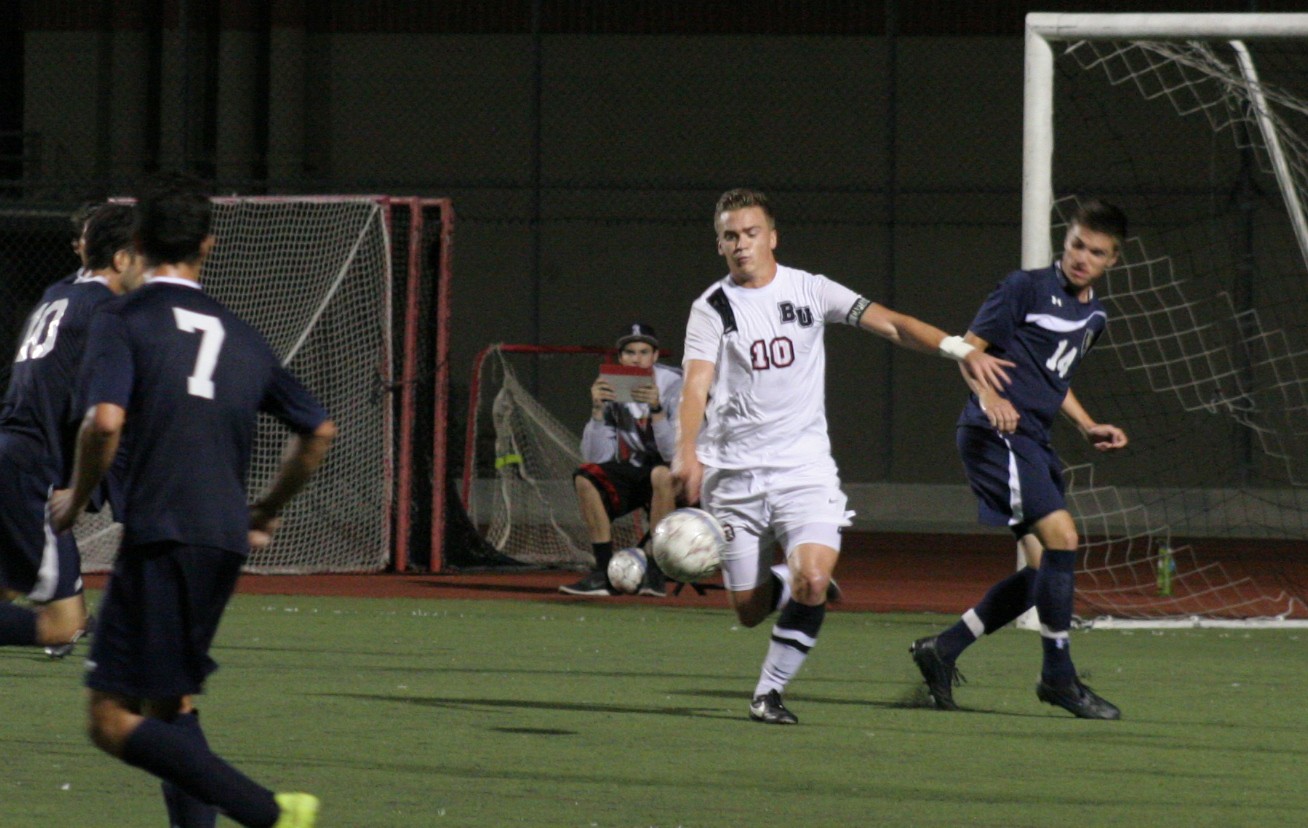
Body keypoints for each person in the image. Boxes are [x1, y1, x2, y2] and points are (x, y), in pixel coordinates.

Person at [51, 173, 335, 828]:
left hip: (163, 534)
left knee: (108, 719)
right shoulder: (241, 334)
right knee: (169, 703)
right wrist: (265, 509)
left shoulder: (121, 319)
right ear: (207, 245)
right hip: (222, 538)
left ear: (142, 242)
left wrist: (75, 500)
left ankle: (269, 813)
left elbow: (105, 422)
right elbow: (318, 430)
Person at [673, 188, 1014, 724]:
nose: (742, 245)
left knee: (814, 578)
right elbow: (696, 387)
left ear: (773, 237)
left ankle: (769, 693)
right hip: (733, 475)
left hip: (803, 470)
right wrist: (686, 452)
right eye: (731, 236)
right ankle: (783, 582)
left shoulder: (810, 290)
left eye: (751, 233)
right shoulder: (711, 307)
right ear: (719, 245)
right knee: (747, 610)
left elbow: (893, 324)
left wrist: (958, 348)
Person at [909, 198, 1130, 720]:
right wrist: (989, 397)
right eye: (1077, 244)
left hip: (1033, 439)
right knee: (1064, 539)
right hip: (994, 434)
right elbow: (968, 348)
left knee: (1042, 575)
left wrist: (1087, 423)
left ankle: (942, 650)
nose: (1081, 257)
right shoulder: (1024, 287)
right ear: (1067, 239)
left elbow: (1056, 378)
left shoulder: (1094, 314)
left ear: (1112, 260)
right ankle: (1058, 678)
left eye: (1095, 252)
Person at [0, 203, 140, 659]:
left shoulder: (60, 292)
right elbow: (101, 417)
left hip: (14, 454)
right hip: (28, 470)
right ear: (121, 260)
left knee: (9, 589)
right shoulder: (108, 313)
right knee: (64, 626)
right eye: (145, 257)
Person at [560, 322, 683, 597]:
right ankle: (602, 572)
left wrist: (657, 410)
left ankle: (655, 570)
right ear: (620, 357)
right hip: (642, 469)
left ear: (655, 356)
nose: (636, 359)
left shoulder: (676, 384)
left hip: (683, 474)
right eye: (629, 352)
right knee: (586, 476)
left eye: (643, 351)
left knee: (660, 474)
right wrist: (597, 410)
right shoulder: (613, 385)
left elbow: (672, 454)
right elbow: (596, 457)